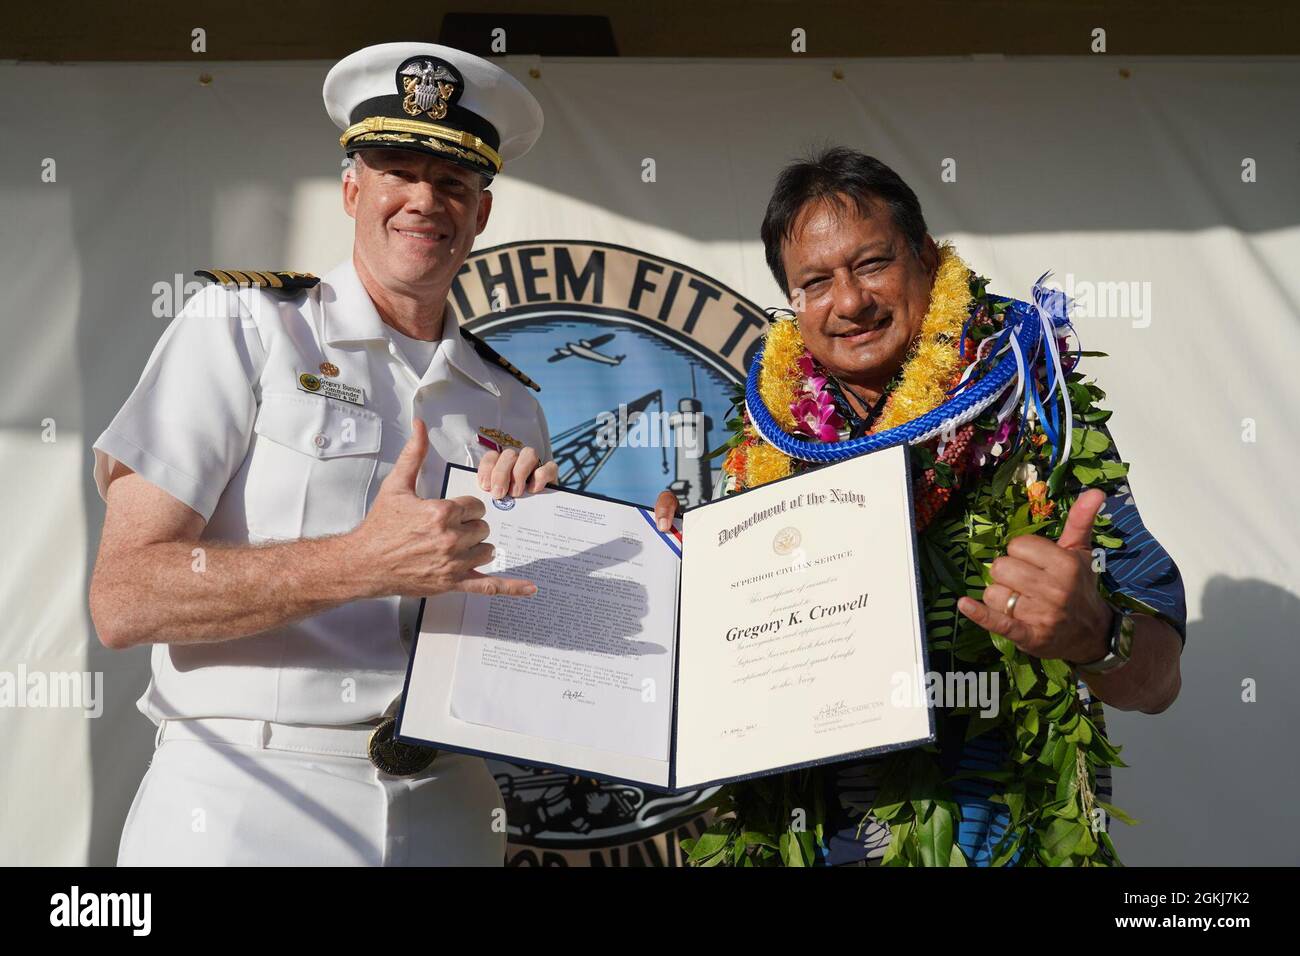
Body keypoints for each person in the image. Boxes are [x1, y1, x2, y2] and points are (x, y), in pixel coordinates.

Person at [89, 42, 556, 866]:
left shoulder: (512, 402)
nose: (424, 200)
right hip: (246, 797)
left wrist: (578, 559)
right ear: (351, 190)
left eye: (453, 183)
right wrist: (362, 563)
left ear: (482, 214)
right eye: (397, 171)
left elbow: (508, 637)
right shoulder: (242, 327)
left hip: (449, 806)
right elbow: (124, 597)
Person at [655, 147, 1185, 866]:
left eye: (872, 264)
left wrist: (1095, 636)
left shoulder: (1032, 408)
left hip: (1003, 844)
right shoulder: (770, 439)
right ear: (793, 304)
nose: (849, 302)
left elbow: (1158, 683)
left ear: (928, 259)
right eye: (815, 282)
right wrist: (677, 582)